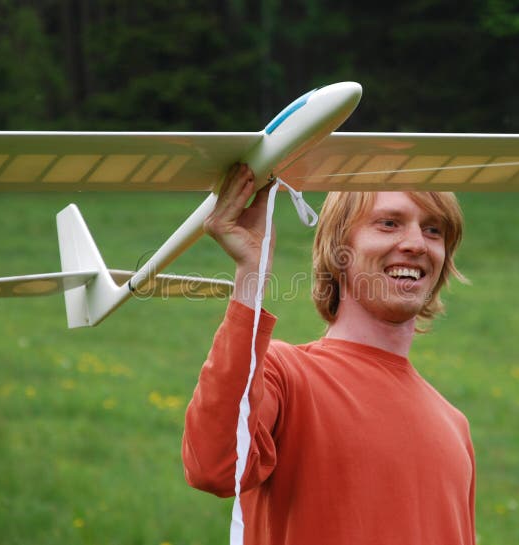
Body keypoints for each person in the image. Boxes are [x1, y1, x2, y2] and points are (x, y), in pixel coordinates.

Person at [182, 163, 475, 545]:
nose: (417, 244)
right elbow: (214, 467)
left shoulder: (455, 426)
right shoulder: (283, 374)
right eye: (389, 223)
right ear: (339, 251)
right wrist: (250, 274)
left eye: (433, 230)